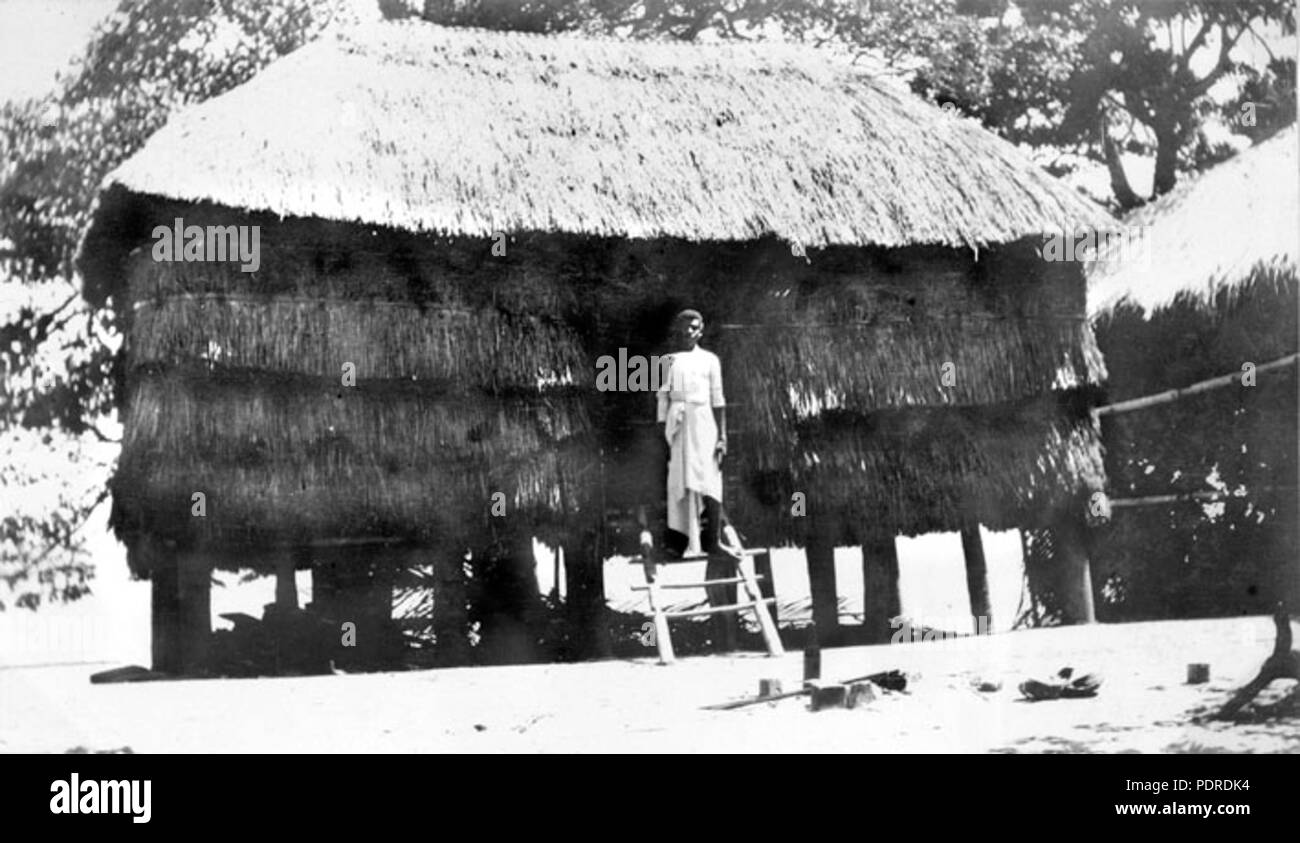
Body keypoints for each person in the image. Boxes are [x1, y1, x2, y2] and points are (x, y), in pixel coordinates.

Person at [656, 309, 730, 558]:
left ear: (701, 331)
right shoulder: (668, 361)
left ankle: (713, 540)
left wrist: (722, 437)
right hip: (678, 425)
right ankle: (679, 542)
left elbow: (718, 399)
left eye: (694, 327)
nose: (689, 332)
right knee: (679, 481)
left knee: (710, 479)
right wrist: (663, 434)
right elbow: (662, 400)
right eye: (684, 327)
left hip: (704, 422)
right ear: (677, 330)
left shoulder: (710, 360)